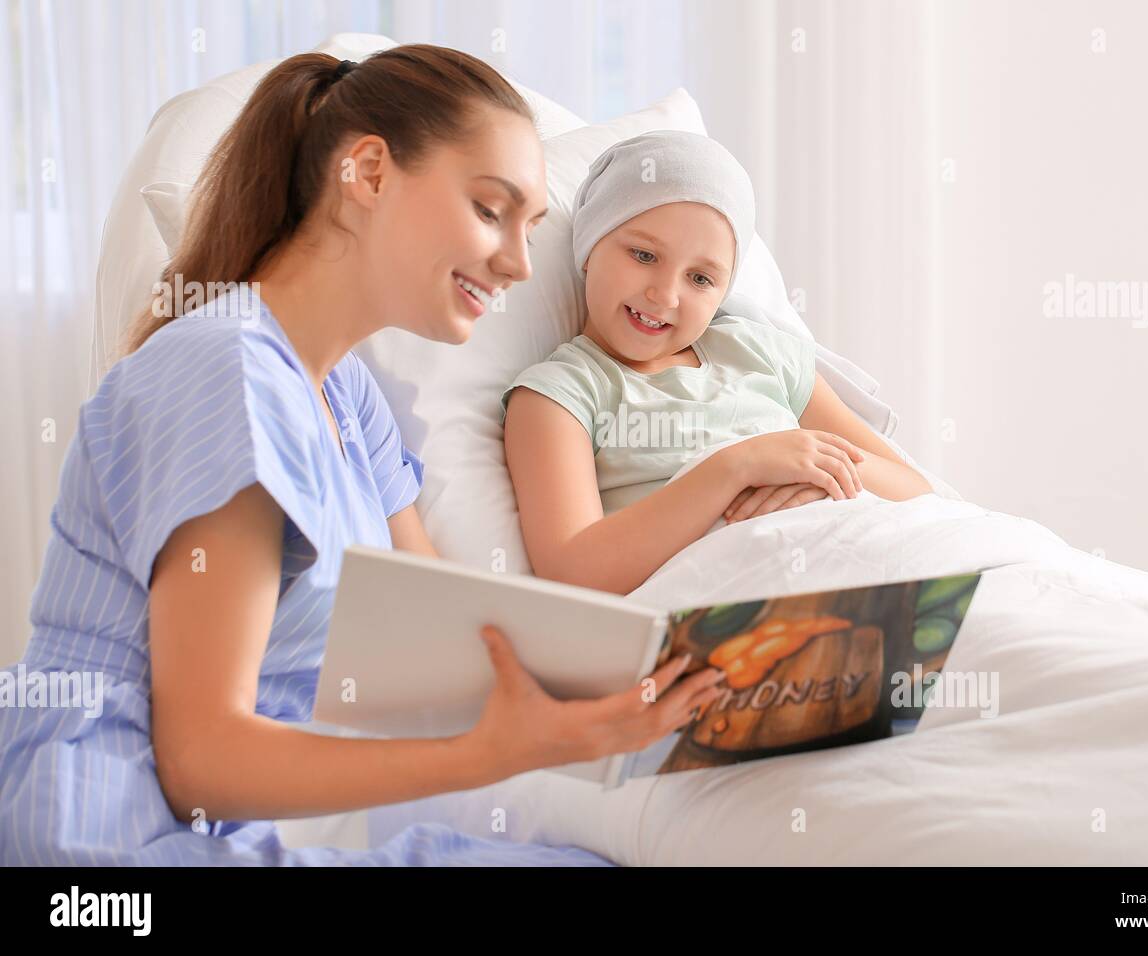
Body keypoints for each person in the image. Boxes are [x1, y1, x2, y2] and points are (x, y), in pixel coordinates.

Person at [0, 46, 726, 866]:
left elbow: (440, 642)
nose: (521, 265)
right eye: (492, 211)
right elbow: (200, 761)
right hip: (106, 837)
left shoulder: (349, 403)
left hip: (235, 831)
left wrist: (653, 688)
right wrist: (500, 749)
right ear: (370, 174)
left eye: (530, 230)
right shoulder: (224, 375)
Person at [501, 131, 933, 596]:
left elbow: (916, 490)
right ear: (589, 246)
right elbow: (573, 568)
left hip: (870, 560)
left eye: (701, 278)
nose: (665, 294)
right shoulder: (560, 395)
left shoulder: (761, 353)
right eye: (643, 255)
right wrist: (737, 466)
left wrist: (816, 474)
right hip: (740, 601)